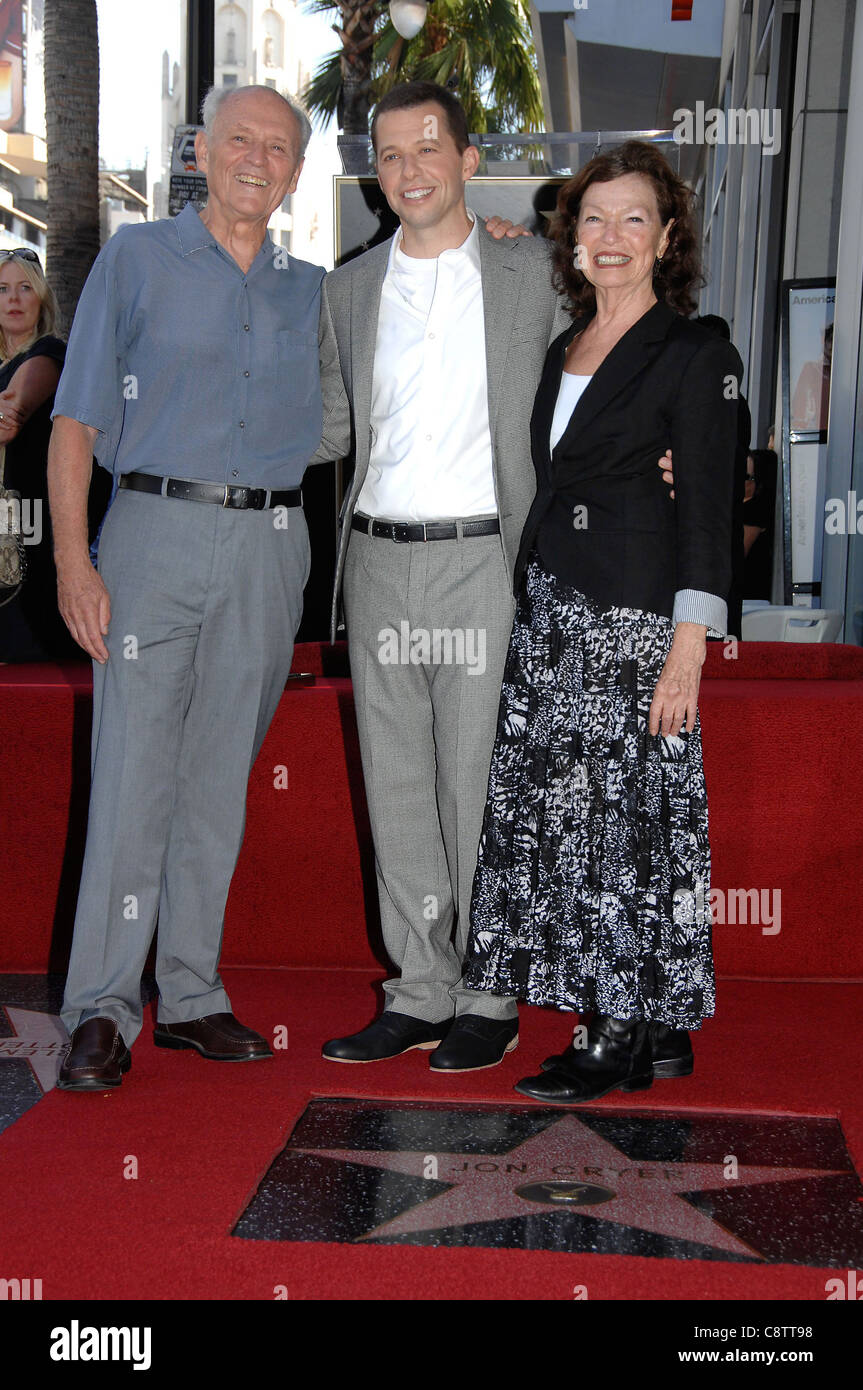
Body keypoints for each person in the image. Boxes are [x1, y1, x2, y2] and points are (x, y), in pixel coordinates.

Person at [50, 85, 322, 1090]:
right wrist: (73, 561)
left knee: (216, 782)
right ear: (201, 149)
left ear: (296, 171)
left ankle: (193, 995)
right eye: (240, 139)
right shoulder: (134, 259)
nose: (258, 157)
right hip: (151, 536)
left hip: (269, 547)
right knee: (130, 779)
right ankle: (100, 1007)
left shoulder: (312, 289)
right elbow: (73, 421)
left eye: (279, 147)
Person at [462, 140, 741, 1103]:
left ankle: (613, 1028)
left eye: (633, 218)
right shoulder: (562, 348)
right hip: (551, 617)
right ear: (570, 238)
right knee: (597, 822)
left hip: (634, 625)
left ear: (667, 239)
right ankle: (662, 1024)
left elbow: (707, 510)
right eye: (593, 217)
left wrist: (688, 652)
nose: (611, 236)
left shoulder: (696, 351)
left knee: (619, 828)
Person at [313, 82, 571, 1072]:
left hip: (481, 559)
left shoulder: (530, 272)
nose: (409, 168)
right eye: (388, 155)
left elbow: (600, 371)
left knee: (475, 786)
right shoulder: (344, 291)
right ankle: (417, 988)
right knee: (398, 786)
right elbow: (329, 429)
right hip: (377, 559)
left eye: (427, 148)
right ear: (375, 175)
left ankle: (487, 993)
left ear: (467, 159)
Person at [0, 250, 73, 661]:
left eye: (25, 288)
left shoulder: (45, 355)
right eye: (4, 289)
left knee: (27, 646)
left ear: (41, 299)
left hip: (29, 519)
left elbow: (9, 415)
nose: (14, 298)